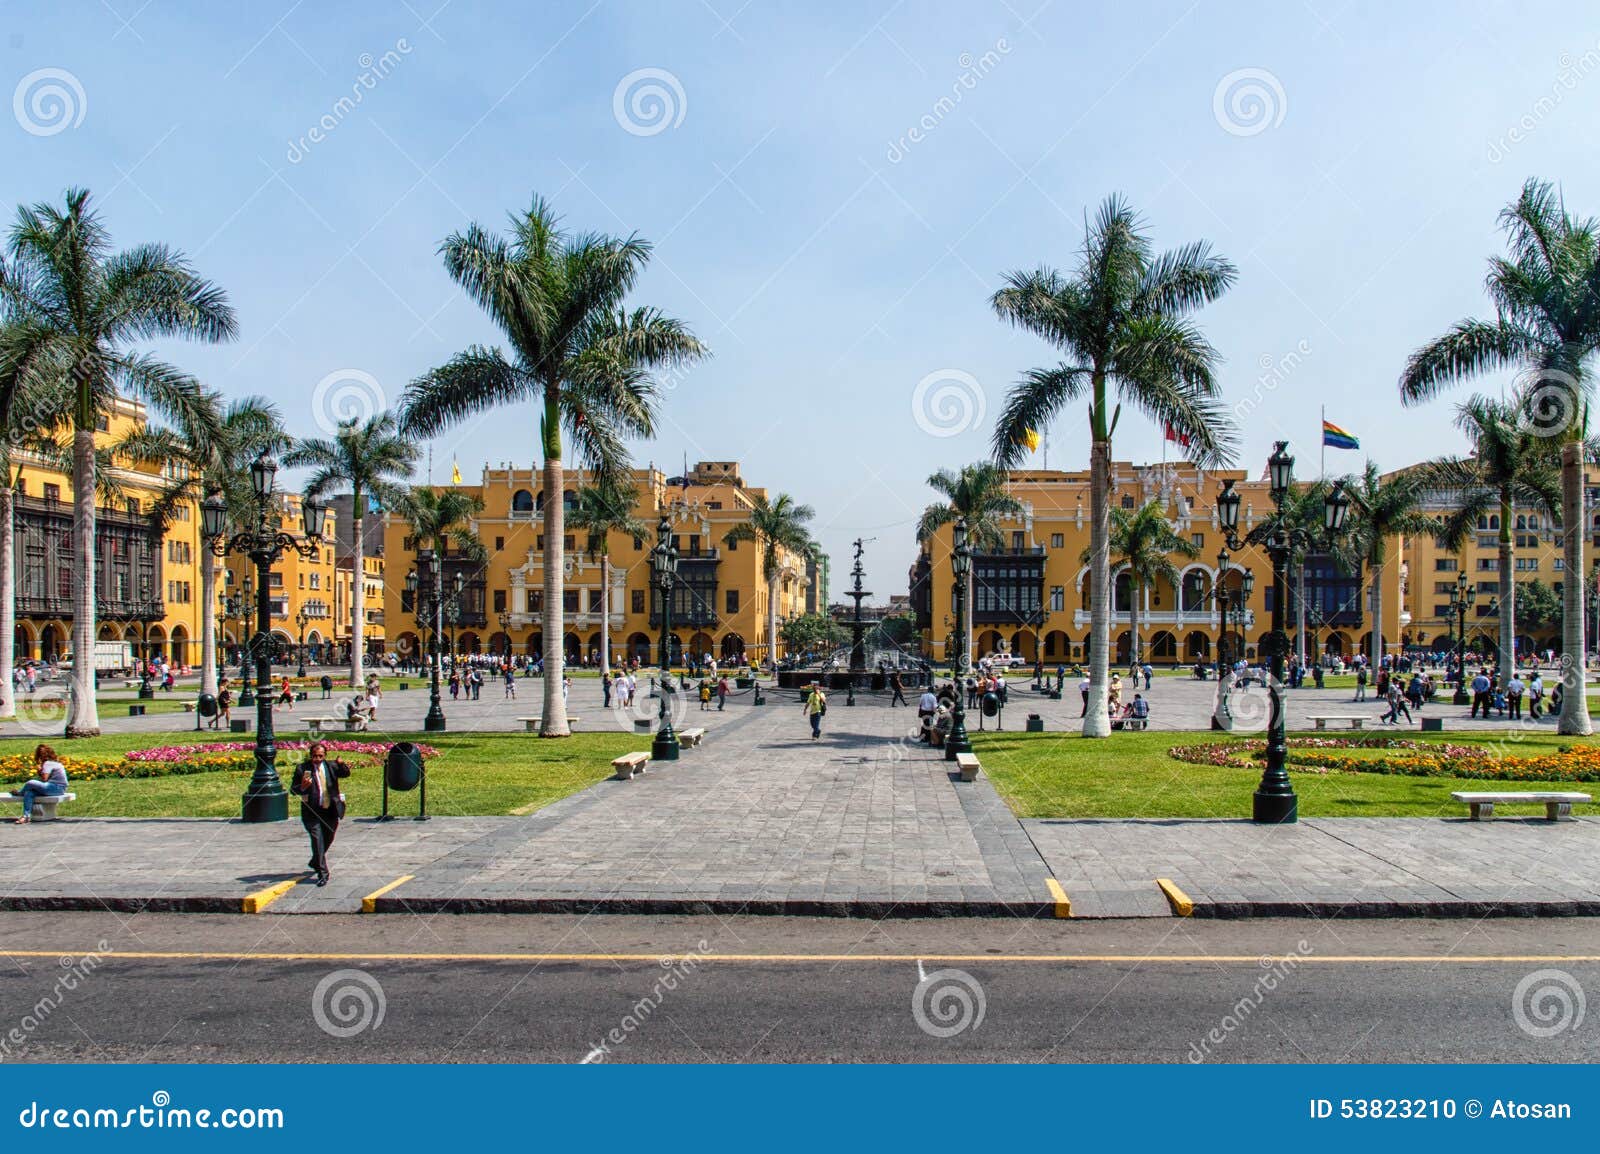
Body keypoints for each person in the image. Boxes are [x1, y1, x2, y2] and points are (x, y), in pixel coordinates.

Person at [290, 742, 350, 886]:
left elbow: (346, 774)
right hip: (312, 811)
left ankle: (315, 861)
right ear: (310, 756)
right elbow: (293, 789)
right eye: (314, 756)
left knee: (328, 837)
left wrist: (342, 764)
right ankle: (323, 873)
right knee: (317, 840)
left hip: (330, 809)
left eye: (320, 756)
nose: (317, 759)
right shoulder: (302, 769)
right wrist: (302, 787)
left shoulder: (331, 766)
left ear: (325, 756)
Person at [12, 744, 69, 824]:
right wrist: (40, 772)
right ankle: (26, 816)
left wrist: (39, 771)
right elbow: (46, 780)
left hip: (56, 788)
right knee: (29, 793)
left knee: (31, 782)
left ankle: (20, 793)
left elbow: (44, 779)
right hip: (55, 788)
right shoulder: (53, 762)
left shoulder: (48, 763)